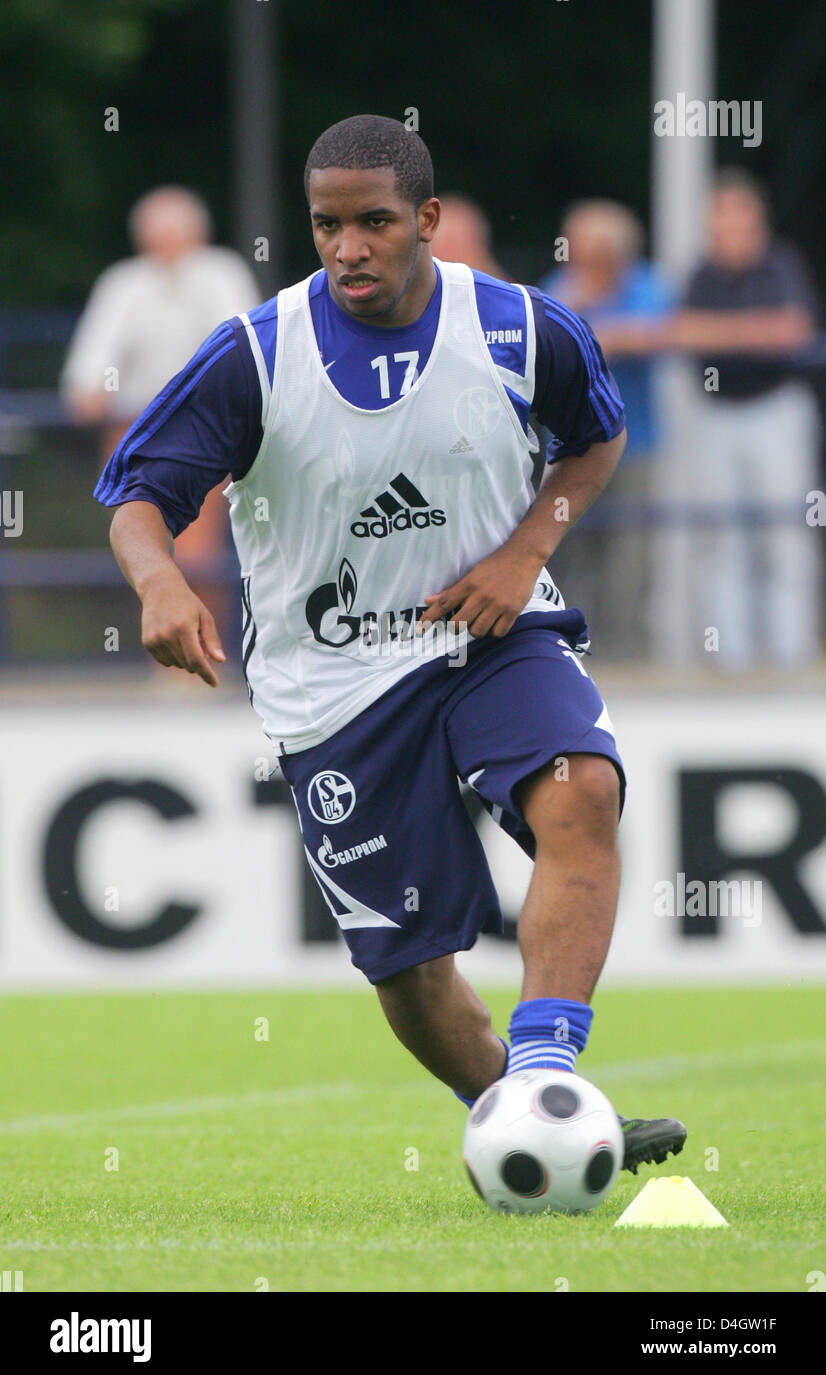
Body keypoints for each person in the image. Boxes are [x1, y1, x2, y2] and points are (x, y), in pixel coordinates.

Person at [95, 116, 685, 1176]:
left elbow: (595, 439)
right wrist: (159, 583)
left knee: (582, 791)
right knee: (411, 975)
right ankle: (522, 1115)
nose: (347, 246)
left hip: (486, 633)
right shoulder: (256, 354)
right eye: (326, 225)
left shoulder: (515, 330)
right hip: (333, 688)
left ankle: (549, 1077)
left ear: (427, 220)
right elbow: (138, 493)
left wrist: (521, 553)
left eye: (373, 222)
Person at [63, 186, 261, 638]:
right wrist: (92, 389)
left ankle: (194, 658)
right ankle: (179, 659)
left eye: (176, 236)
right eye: (158, 237)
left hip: (205, 430)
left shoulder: (220, 274)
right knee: (148, 547)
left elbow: (239, 353)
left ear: (198, 235)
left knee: (195, 551)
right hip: (137, 435)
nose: (167, 248)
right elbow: (90, 370)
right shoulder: (123, 283)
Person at [675, 170, 820, 668]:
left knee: (784, 535)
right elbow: (684, 334)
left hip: (775, 410)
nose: (727, 228)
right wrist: (753, 331)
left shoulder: (780, 264)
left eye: (736, 216)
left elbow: (793, 330)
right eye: (719, 217)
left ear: (755, 220)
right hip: (717, 416)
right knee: (721, 537)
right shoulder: (701, 274)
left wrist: (719, 333)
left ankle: (789, 653)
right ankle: (730, 658)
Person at [540, 201, 674, 657]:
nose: (587, 259)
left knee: (631, 559)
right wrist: (588, 307)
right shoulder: (561, 287)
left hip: (635, 447)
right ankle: (571, 647)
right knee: (569, 553)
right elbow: (547, 340)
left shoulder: (647, 285)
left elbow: (659, 333)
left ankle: (628, 650)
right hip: (569, 453)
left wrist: (598, 329)